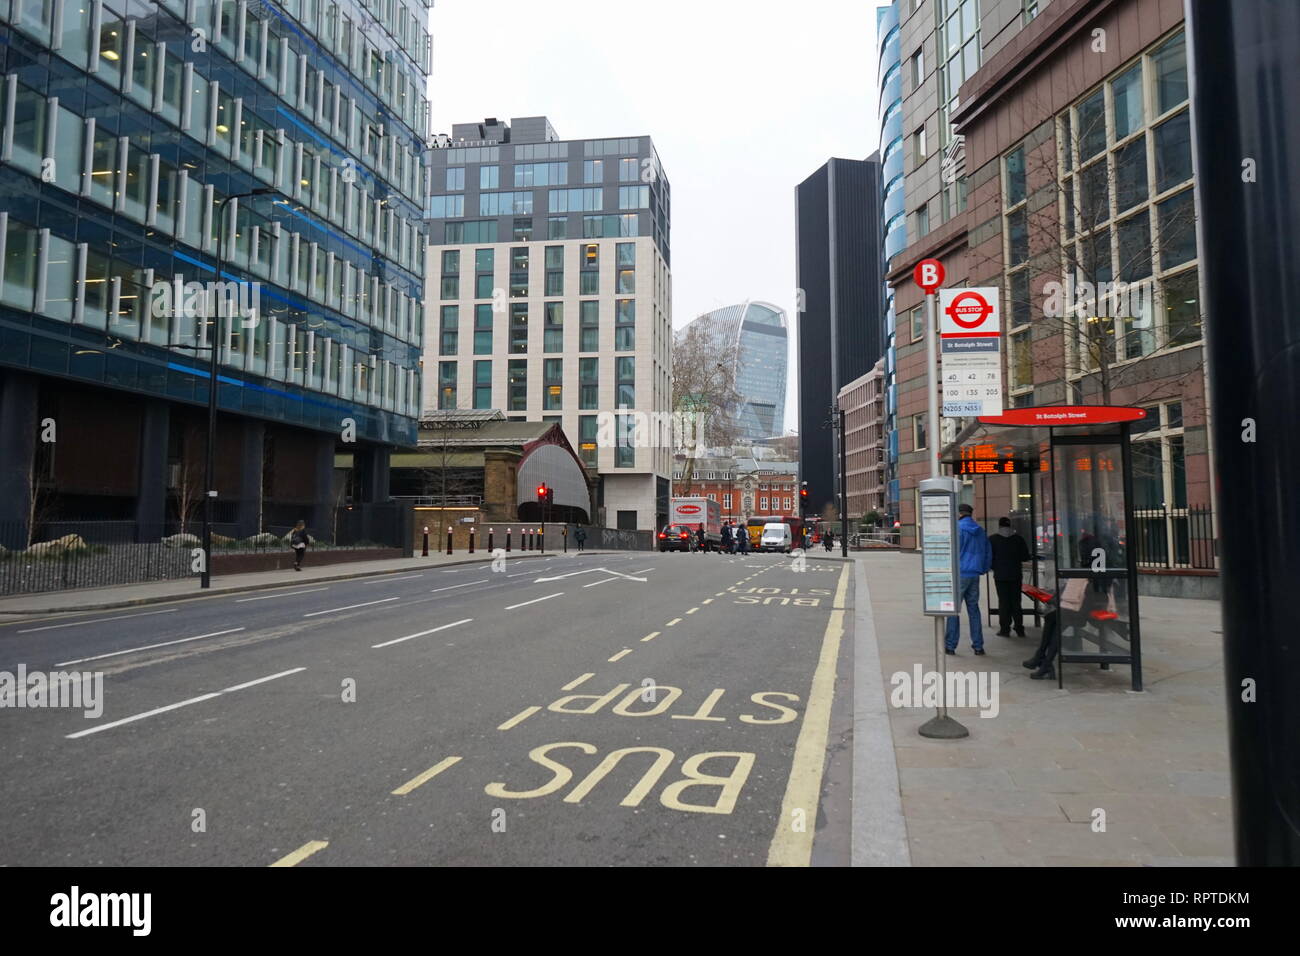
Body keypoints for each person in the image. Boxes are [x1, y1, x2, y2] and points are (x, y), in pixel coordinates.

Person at [945, 503, 993, 656]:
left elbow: (951, 551)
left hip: (960, 573)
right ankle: (978, 646)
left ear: (959, 514)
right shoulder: (980, 531)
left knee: (954, 611)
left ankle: (950, 645)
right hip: (974, 574)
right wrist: (983, 568)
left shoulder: (957, 529)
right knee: (974, 609)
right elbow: (987, 552)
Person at [989, 517, 1031, 637]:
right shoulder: (1018, 539)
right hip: (1015, 575)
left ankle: (1005, 628)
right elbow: (1025, 557)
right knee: (1016, 602)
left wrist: (995, 566)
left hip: (1000, 576)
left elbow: (988, 557)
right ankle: (1019, 628)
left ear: (999, 526)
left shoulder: (993, 539)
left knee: (1003, 602)